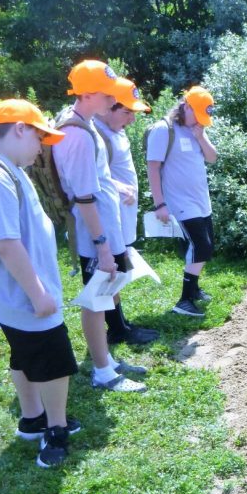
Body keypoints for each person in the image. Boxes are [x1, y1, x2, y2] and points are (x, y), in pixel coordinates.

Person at [0, 99, 83, 467]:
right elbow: (6, 243)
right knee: (53, 360)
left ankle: (32, 419)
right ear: (19, 129)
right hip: (24, 295)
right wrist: (38, 293)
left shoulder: (6, 169)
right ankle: (55, 432)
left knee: (24, 354)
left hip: (15, 294)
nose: (42, 144)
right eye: (39, 135)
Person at [54, 60, 146, 392]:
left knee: (106, 297)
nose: (113, 99)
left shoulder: (87, 123)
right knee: (96, 302)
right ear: (89, 94)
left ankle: (104, 358)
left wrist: (115, 188)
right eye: (108, 93)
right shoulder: (76, 135)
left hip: (106, 226)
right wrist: (102, 245)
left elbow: (95, 181)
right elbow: (83, 197)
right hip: (96, 234)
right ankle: (103, 372)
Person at [92, 76, 159, 346]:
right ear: (108, 105)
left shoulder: (113, 131)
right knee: (108, 274)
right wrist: (119, 186)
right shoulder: (94, 134)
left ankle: (120, 324)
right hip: (105, 220)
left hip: (120, 217)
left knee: (116, 272)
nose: (132, 120)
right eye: (127, 112)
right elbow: (89, 177)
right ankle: (116, 330)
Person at [145, 86, 218, 318]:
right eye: (197, 114)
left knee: (206, 246)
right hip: (179, 202)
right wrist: (160, 204)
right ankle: (184, 301)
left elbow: (212, 158)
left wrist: (201, 135)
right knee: (201, 247)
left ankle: (194, 290)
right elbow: (153, 168)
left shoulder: (196, 130)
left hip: (201, 201)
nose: (200, 120)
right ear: (185, 106)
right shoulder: (163, 130)